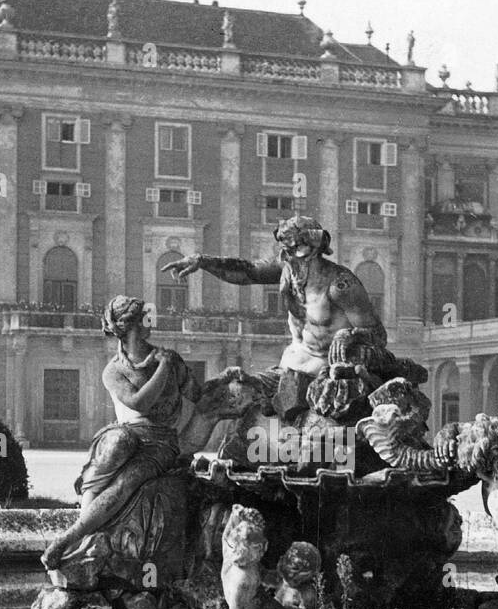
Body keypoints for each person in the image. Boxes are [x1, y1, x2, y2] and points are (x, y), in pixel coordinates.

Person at [161, 214, 393, 421]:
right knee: (223, 395)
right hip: (286, 372)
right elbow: (247, 271)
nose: (285, 255)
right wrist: (201, 261)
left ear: (312, 249)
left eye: (292, 249)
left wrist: (348, 336)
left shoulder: (341, 285)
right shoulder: (288, 272)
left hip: (324, 378)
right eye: (284, 249)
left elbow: (378, 335)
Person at [42, 295, 196, 573]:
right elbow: (139, 403)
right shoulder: (113, 370)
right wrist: (163, 366)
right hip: (126, 434)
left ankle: (68, 539)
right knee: (116, 444)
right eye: (144, 320)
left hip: (159, 443)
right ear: (129, 327)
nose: (151, 322)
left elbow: (197, 394)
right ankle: (85, 541)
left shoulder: (171, 360)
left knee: (127, 482)